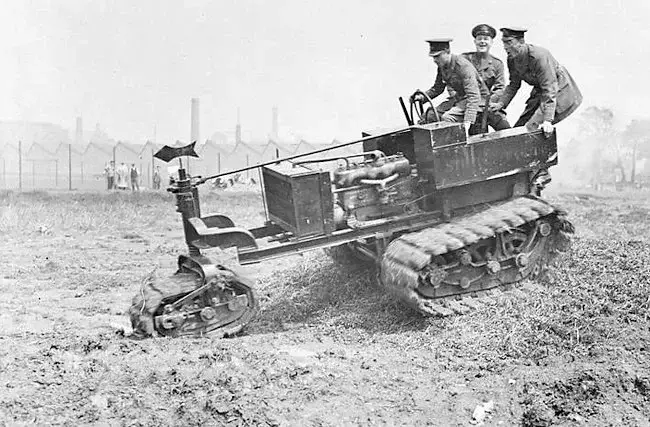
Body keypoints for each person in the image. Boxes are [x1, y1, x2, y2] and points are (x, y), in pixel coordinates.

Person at [489, 27, 583, 137]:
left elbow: (550, 88)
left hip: (560, 92)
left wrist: (547, 120)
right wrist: (501, 103)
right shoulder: (512, 58)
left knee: (531, 129)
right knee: (519, 129)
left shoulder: (539, 56)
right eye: (504, 43)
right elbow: (514, 84)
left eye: (509, 42)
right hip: (541, 92)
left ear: (521, 42)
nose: (505, 47)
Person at [411, 38, 486, 137]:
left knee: (448, 118)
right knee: (430, 115)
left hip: (479, 100)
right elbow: (438, 88)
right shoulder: (442, 66)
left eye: (438, 56)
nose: (435, 60)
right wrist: (422, 97)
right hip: (461, 98)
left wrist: (468, 120)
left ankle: (453, 149)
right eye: (433, 57)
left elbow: (474, 96)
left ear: (447, 52)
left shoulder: (463, 66)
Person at [462, 24, 511, 135]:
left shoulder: (496, 64)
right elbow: (453, 83)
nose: (482, 42)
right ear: (475, 41)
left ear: (491, 42)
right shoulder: (465, 59)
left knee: (506, 128)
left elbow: (500, 88)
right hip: (468, 103)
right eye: (479, 39)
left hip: (487, 104)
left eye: (486, 39)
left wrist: (489, 102)